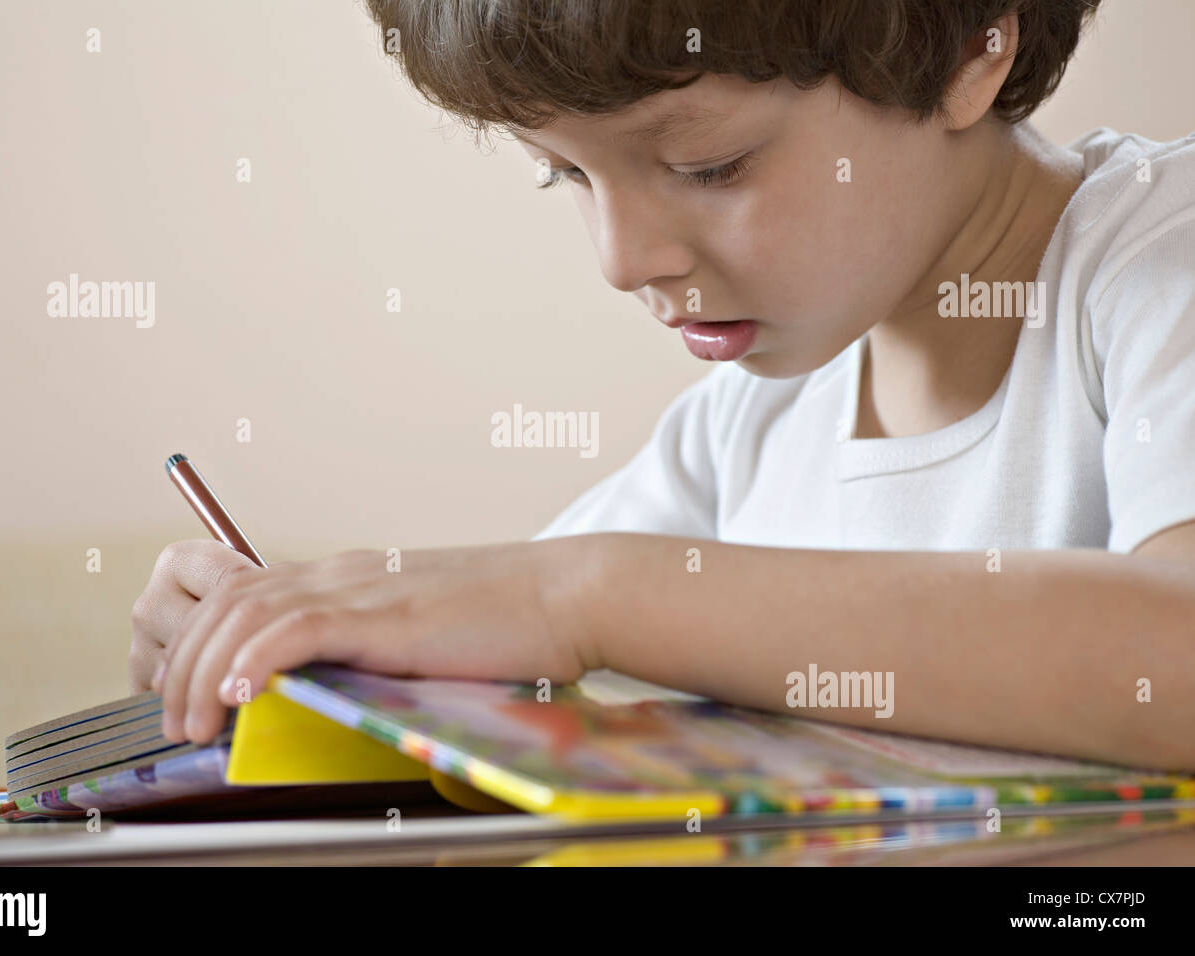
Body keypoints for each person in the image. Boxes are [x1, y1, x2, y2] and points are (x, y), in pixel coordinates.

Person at [130, 0, 1195, 770]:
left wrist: (580, 594)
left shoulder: (1159, 257)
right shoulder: (745, 424)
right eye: (566, 173)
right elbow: (487, 666)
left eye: (706, 167)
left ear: (973, 44)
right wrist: (287, 656)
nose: (623, 258)